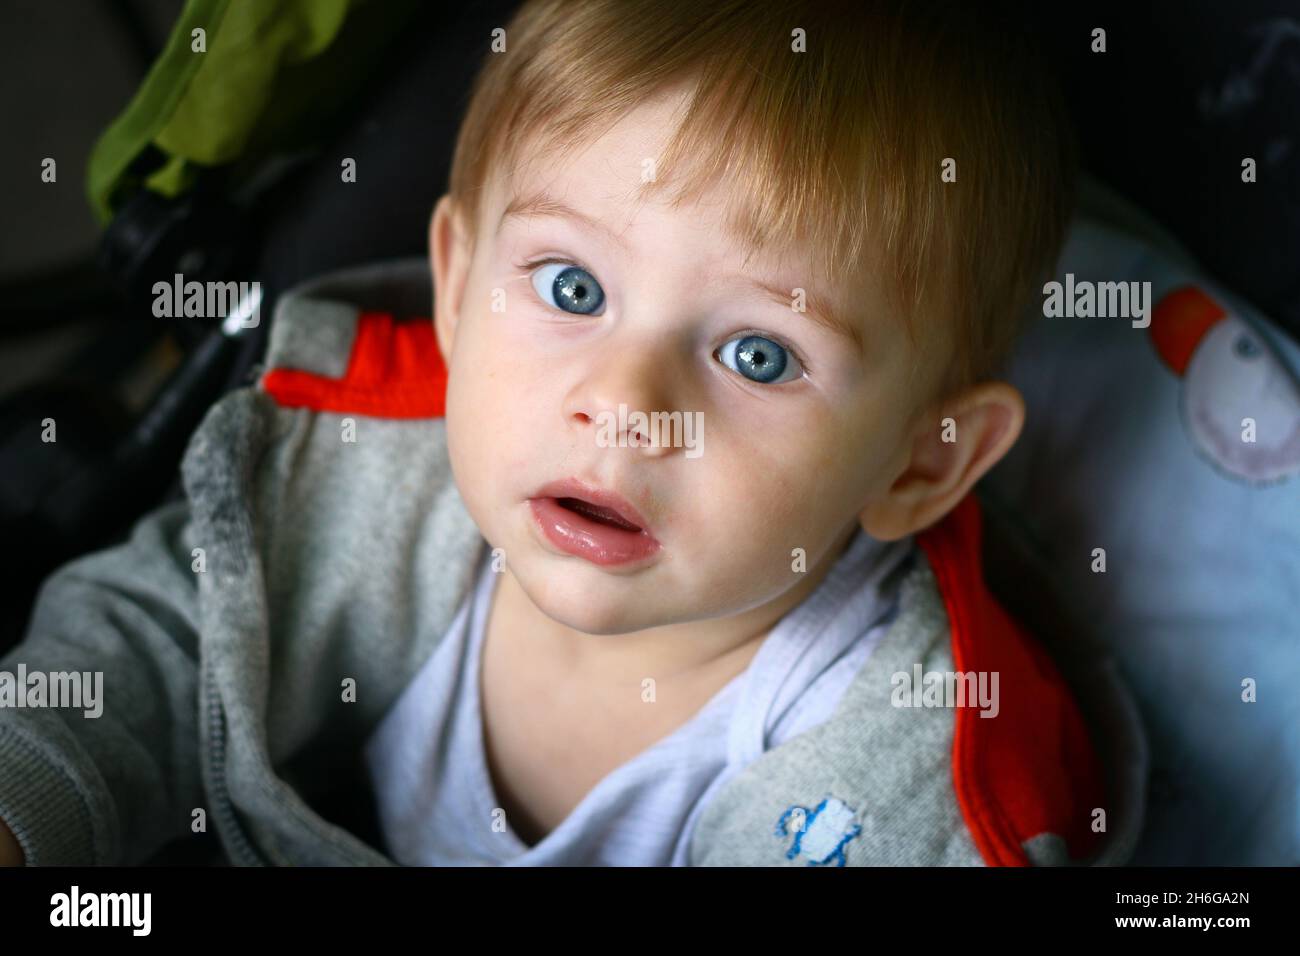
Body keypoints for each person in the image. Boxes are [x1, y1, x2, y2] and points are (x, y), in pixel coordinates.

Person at [0, 0, 1142, 867]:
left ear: (920, 460)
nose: (623, 402)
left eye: (758, 353)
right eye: (574, 289)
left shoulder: (892, 774)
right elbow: (154, 646)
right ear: (455, 292)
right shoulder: (360, 466)